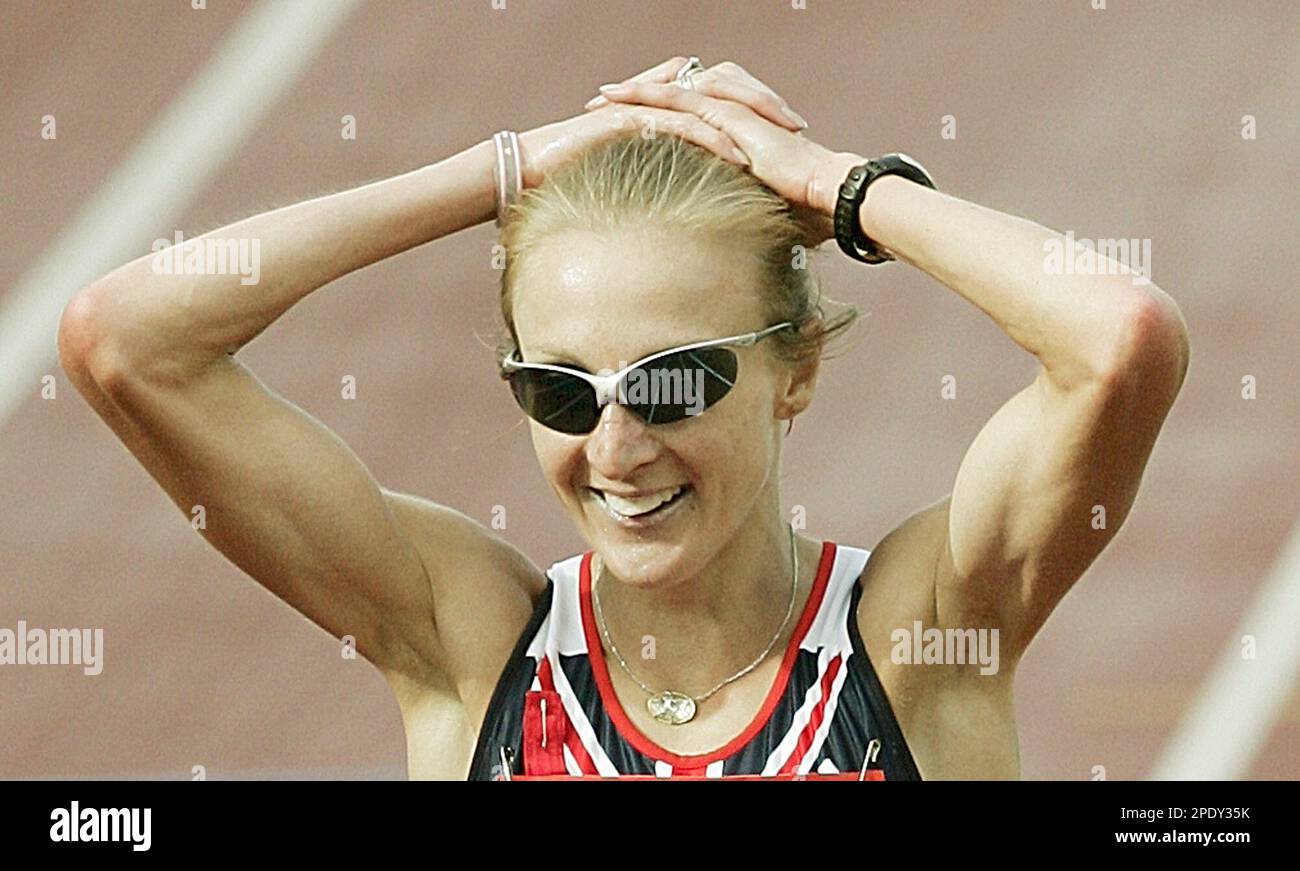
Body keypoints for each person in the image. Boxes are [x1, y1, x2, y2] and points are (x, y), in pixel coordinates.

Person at [57, 57, 1189, 780]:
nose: (614, 447)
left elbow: (1118, 336)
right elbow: (127, 342)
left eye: (672, 381)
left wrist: (841, 187)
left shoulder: (915, 642)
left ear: (793, 368)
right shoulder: (472, 650)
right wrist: (503, 170)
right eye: (559, 388)